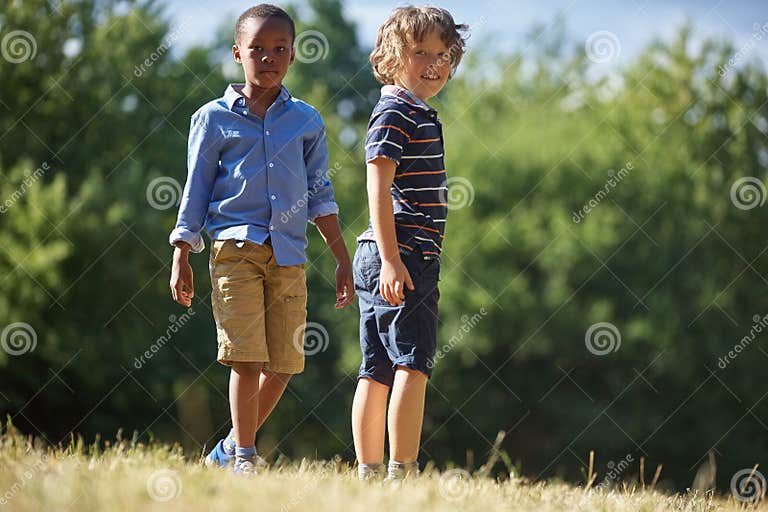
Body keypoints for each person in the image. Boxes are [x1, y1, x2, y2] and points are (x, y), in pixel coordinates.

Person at [168, 4, 354, 474]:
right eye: (257, 49)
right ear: (237, 53)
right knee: (246, 358)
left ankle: (230, 447)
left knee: (287, 363)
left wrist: (342, 258)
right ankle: (247, 457)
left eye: (279, 49)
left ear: (292, 55)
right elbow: (196, 190)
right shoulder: (211, 120)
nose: (267, 58)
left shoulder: (307, 121)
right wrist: (181, 252)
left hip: (290, 253)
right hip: (234, 250)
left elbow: (321, 194)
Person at [351, 5, 468, 480]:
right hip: (400, 253)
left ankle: (369, 474)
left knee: (376, 369)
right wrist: (393, 259)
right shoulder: (398, 109)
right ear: (392, 56)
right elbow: (376, 182)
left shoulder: (411, 110)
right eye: (420, 52)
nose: (434, 63)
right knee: (413, 365)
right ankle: (402, 474)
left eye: (443, 54)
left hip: (383, 252)